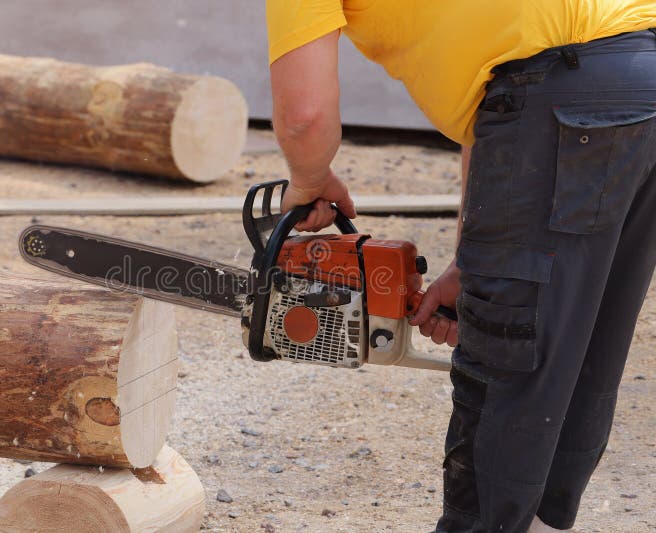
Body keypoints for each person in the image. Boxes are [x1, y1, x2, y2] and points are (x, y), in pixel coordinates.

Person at [266, 2, 656, 531]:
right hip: (641, 75)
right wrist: (471, 264)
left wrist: (309, 179)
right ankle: (546, 523)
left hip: (558, 90)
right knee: (585, 342)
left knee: (509, 353)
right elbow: (496, 107)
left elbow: (304, 116)